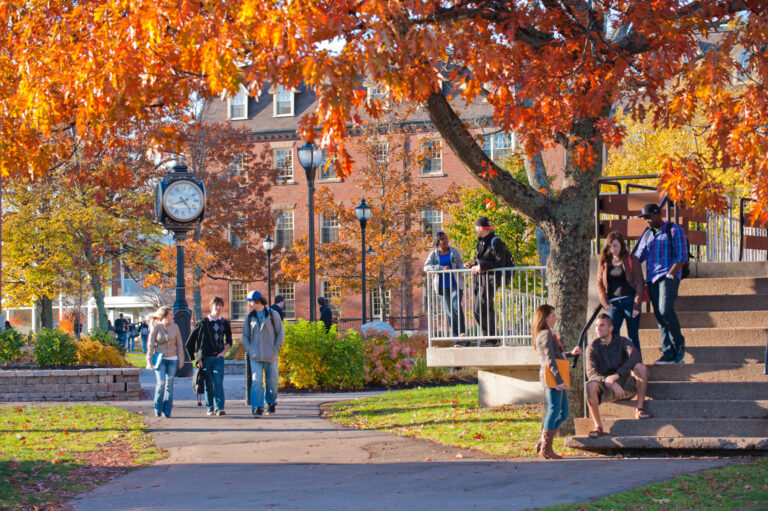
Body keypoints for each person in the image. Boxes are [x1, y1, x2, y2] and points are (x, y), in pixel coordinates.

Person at [635, 203, 688, 364]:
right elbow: (639, 257)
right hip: (652, 279)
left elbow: (682, 256)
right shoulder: (647, 235)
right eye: (645, 218)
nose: (647, 221)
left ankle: (679, 343)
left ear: (658, 214)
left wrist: (671, 275)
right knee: (659, 315)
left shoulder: (674, 230)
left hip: (668, 276)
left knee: (665, 310)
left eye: (649, 217)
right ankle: (668, 352)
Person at [585, 314, 650, 438]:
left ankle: (640, 409)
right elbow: (591, 373)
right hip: (605, 388)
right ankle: (598, 426)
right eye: (596, 326)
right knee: (590, 385)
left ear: (611, 328)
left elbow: (635, 356)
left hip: (625, 384)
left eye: (602, 325)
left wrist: (617, 374)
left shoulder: (622, 341)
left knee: (641, 368)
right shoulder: (592, 347)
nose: (598, 328)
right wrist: (608, 381)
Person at [532, 304, 581, 459]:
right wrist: (558, 380)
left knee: (564, 413)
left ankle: (543, 441)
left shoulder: (547, 334)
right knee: (554, 411)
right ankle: (546, 447)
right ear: (545, 317)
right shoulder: (545, 335)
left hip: (556, 376)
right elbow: (550, 359)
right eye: (553, 315)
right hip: (553, 377)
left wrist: (571, 354)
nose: (555, 318)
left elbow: (556, 355)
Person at [596, 231, 645, 351]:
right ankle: (616, 361)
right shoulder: (604, 261)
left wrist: (637, 304)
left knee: (632, 335)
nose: (612, 249)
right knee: (612, 334)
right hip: (614, 304)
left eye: (615, 246)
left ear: (622, 246)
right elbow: (599, 283)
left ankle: (636, 362)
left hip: (630, 301)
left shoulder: (631, 259)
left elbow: (639, 282)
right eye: (610, 246)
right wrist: (604, 302)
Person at [186, 296, 233, 416]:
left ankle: (220, 408)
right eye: (216, 305)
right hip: (206, 358)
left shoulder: (224, 323)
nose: (218, 307)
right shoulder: (202, 323)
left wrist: (223, 352)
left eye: (220, 305)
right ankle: (210, 408)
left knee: (218, 382)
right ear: (211, 306)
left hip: (218, 358)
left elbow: (229, 341)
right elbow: (190, 342)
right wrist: (196, 359)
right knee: (208, 384)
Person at [242, 290, 285, 417]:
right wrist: (250, 350)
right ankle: (257, 407)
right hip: (255, 356)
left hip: (271, 355)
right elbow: (245, 336)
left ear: (257, 301)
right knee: (256, 381)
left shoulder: (273, 314)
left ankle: (271, 402)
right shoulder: (249, 318)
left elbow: (280, 333)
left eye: (250, 301)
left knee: (272, 382)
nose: (249, 304)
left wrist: (275, 349)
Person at [466, 216, 507, 346]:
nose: (475, 230)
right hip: (480, 280)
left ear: (481, 228)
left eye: (476, 228)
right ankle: (492, 338)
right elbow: (480, 260)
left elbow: (501, 262)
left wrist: (482, 266)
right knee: (479, 309)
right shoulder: (481, 243)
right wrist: (473, 264)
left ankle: (491, 339)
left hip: (491, 280)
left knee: (481, 308)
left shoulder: (496, 241)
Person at [424, 231, 467, 342]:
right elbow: (426, 267)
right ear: (438, 242)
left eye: (446, 238)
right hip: (442, 287)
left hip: (455, 284)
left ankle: (463, 335)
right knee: (449, 312)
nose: (445, 240)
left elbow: (460, 265)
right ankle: (456, 338)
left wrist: (465, 266)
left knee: (457, 306)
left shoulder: (454, 251)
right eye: (442, 239)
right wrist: (440, 268)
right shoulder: (434, 254)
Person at [146, 306, 185, 418]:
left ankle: (167, 410)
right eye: (170, 314)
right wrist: (149, 361)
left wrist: (181, 359)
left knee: (169, 385)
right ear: (164, 316)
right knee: (161, 383)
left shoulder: (175, 327)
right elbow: (150, 345)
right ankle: (158, 407)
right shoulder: (156, 327)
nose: (173, 316)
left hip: (173, 359)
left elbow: (179, 344)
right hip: (160, 359)